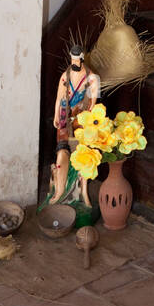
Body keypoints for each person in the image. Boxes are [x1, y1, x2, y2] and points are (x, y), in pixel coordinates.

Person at [51, 43, 101, 206]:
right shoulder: (65, 76)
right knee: (61, 153)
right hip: (66, 117)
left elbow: (93, 104)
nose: (74, 62)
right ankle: (59, 191)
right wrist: (56, 114)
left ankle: (84, 192)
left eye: (76, 59)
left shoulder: (92, 78)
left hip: (82, 119)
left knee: (84, 156)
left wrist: (85, 120)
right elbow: (59, 98)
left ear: (81, 59)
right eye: (72, 59)